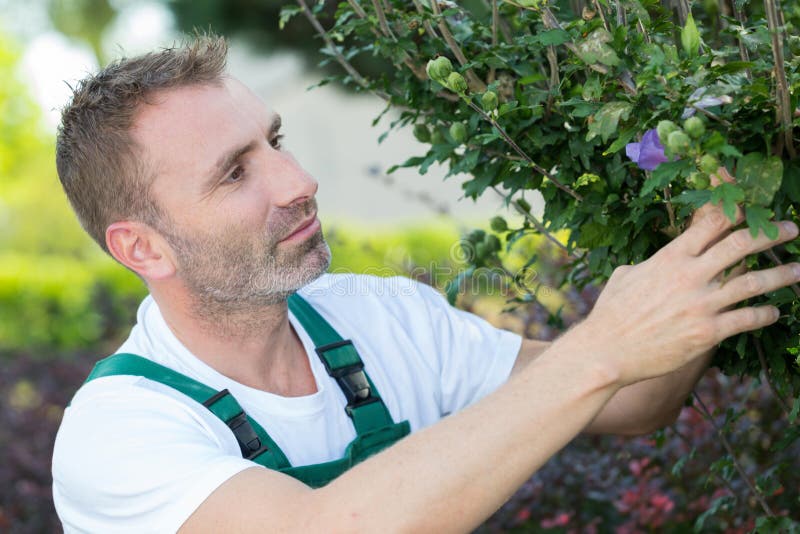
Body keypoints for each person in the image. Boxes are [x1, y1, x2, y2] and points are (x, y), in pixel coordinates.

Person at [51, 34, 800, 532]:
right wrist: (599, 346)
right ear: (143, 248)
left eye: (274, 141)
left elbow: (635, 399)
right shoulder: (119, 434)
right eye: (236, 172)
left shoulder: (381, 319)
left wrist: (713, 231)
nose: (300, 181)